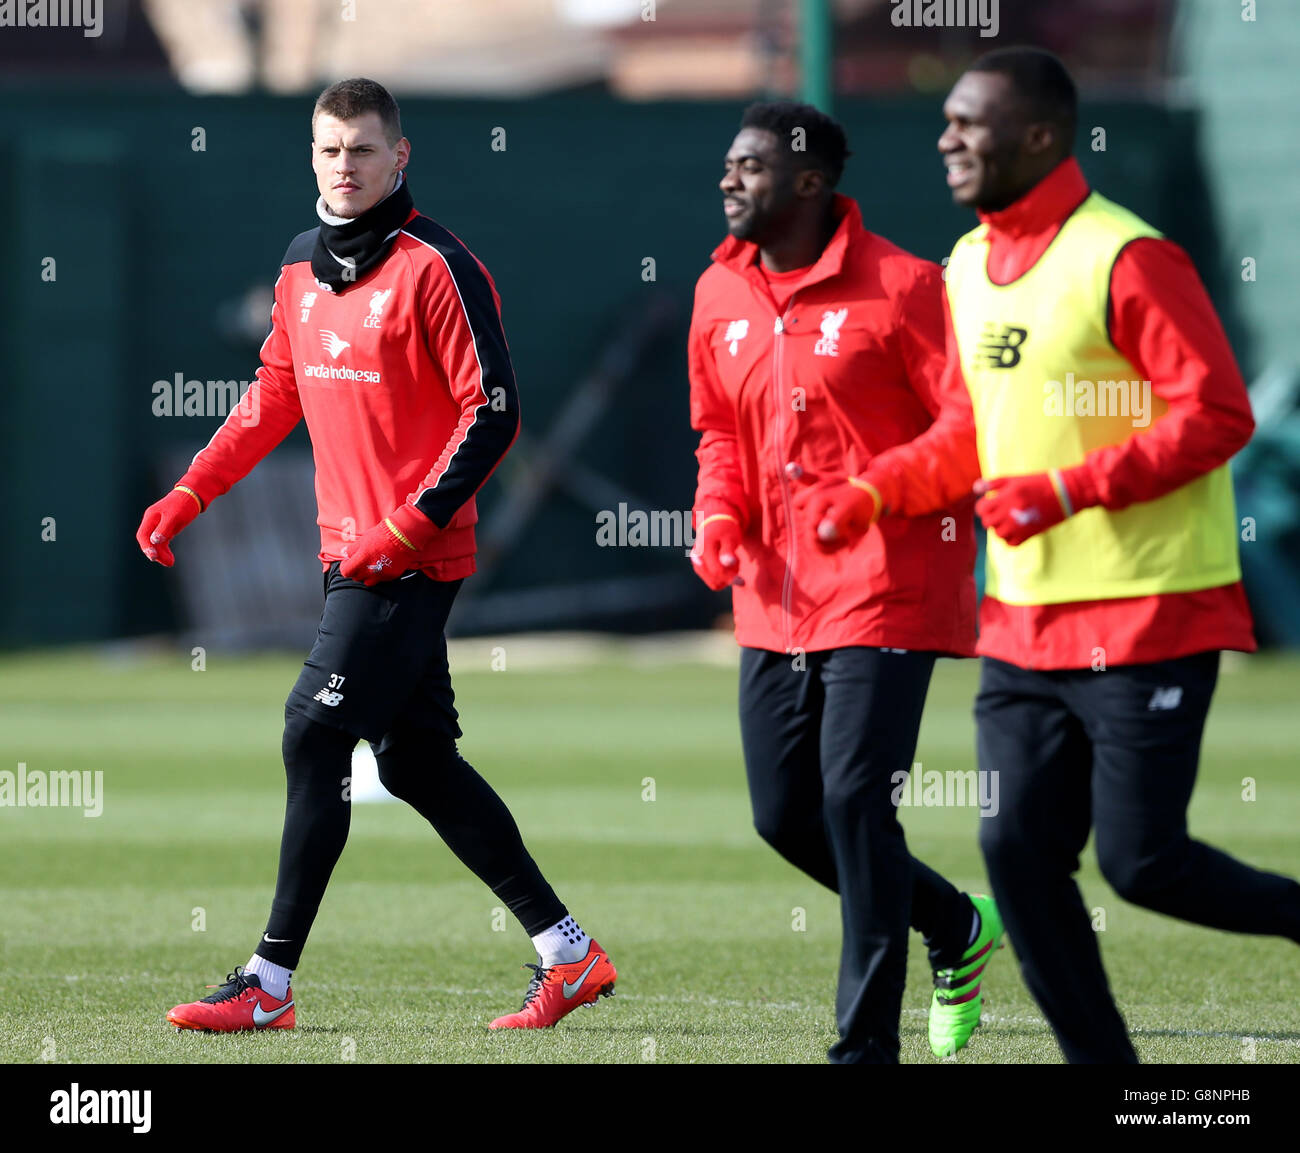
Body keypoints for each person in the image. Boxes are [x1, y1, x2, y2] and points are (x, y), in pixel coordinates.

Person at [818, 46, 1300, 1063]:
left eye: (969, 123)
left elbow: (1216, 413)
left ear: (1038, 137)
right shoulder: (962, 268)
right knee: (1015, 855)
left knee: (1143, 861)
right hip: (1024, 627)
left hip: (1148, 612)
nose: (945, 137)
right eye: (944, 120)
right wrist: (873, 490)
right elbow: (966, 433)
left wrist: (1070, 489)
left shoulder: (1123, 256)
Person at [136, 77, 615, 1033]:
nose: (344, 167)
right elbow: (273, 396)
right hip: (343, 556)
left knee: (313, 733)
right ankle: (570, 953)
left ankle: (268, 984)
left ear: (400, 157)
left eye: (362, 150)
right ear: (311, 158)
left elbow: (496, 413)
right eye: (328, 150)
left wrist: (409, 524)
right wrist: (192, 490)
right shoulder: (300, 266)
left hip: (407, 560)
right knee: (418, 763)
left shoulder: (440, 266)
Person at [688, 100, 1003, 1064]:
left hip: (887, 582)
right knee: (785, 815)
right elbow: (719, 435)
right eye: (727, 164)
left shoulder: (908, 287)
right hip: (774, 598)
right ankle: (954, 922)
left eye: (749, 166)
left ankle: (864, 1047)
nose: (729, 179)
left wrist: (875, 491)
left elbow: (970, 429)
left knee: (856, 803)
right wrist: (716, 514)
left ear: (812, 183)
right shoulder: (716, 292)